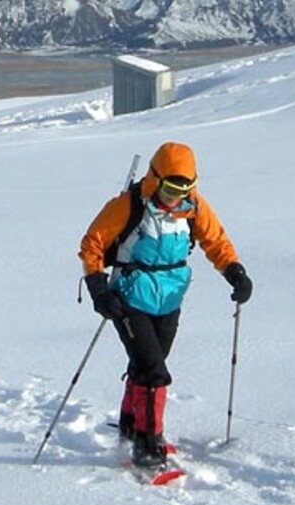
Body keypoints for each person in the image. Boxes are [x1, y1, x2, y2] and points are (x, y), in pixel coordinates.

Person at [78, 142, 252, 469]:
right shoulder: (128, 206)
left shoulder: (193, 207)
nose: (176, 197)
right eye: (171, 188)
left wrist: (235, 272)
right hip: (130, 296)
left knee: (148, 365)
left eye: (185, 188)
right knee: (154, 372)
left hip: (171, 297)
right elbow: (93, 243)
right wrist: (98, 288)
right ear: (155, 179)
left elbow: (215, 241)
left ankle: (131, 421)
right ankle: (147, 444)